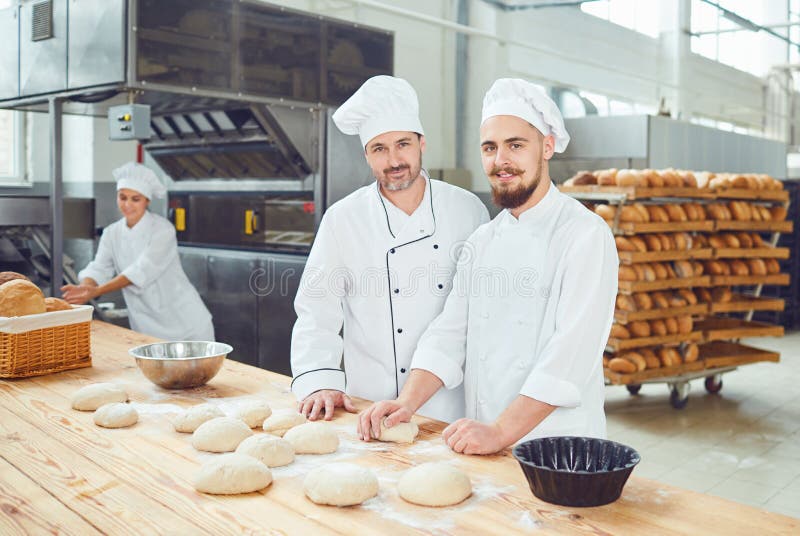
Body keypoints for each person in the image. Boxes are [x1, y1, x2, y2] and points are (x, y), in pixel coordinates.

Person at [357, 78, 618, 454]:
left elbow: (570, 357)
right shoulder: (483, 241)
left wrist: (499, 432)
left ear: (546, 147)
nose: (501, 161)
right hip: (483, 442)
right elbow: (450, 333)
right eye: (490, 148)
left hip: (557, 448)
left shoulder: (584, 235)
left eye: (516, 145)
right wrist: (406, 402)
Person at [291, 75, 489, 422]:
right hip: (368, 402)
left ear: (421, 144)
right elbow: (316, 309)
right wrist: (319, 380)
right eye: (379, 148)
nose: (394, 159)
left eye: (403, 144)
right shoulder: (343, 219)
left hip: (450, 405)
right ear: (366, 155)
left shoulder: (467, 210)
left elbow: (477, 311)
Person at [61, 162, 214, 341]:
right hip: (146, 325)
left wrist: (95, 292)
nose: (127, 205)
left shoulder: (163, 230)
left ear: (147, 201)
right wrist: (85, 286)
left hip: (185, 323)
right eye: (122, 197)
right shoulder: (112, 233)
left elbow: (140, 271)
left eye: (135, 199)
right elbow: (99, 268)